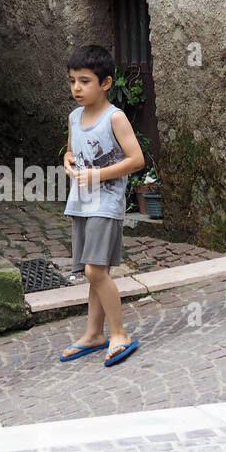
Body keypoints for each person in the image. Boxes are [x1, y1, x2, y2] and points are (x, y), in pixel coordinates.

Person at [57, 45, 145, 366]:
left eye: (84, 81)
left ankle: (119, 333)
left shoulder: (115, 118)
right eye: (72, 81)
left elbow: (137, 160)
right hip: (81, 203)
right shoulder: (74, 117)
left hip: (106, 203)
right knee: (92, 272)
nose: (76, 88)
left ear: (105, 83)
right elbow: (71, 152)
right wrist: (67, 161)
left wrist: (98, 175)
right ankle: (94, 333)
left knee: (96, 269)